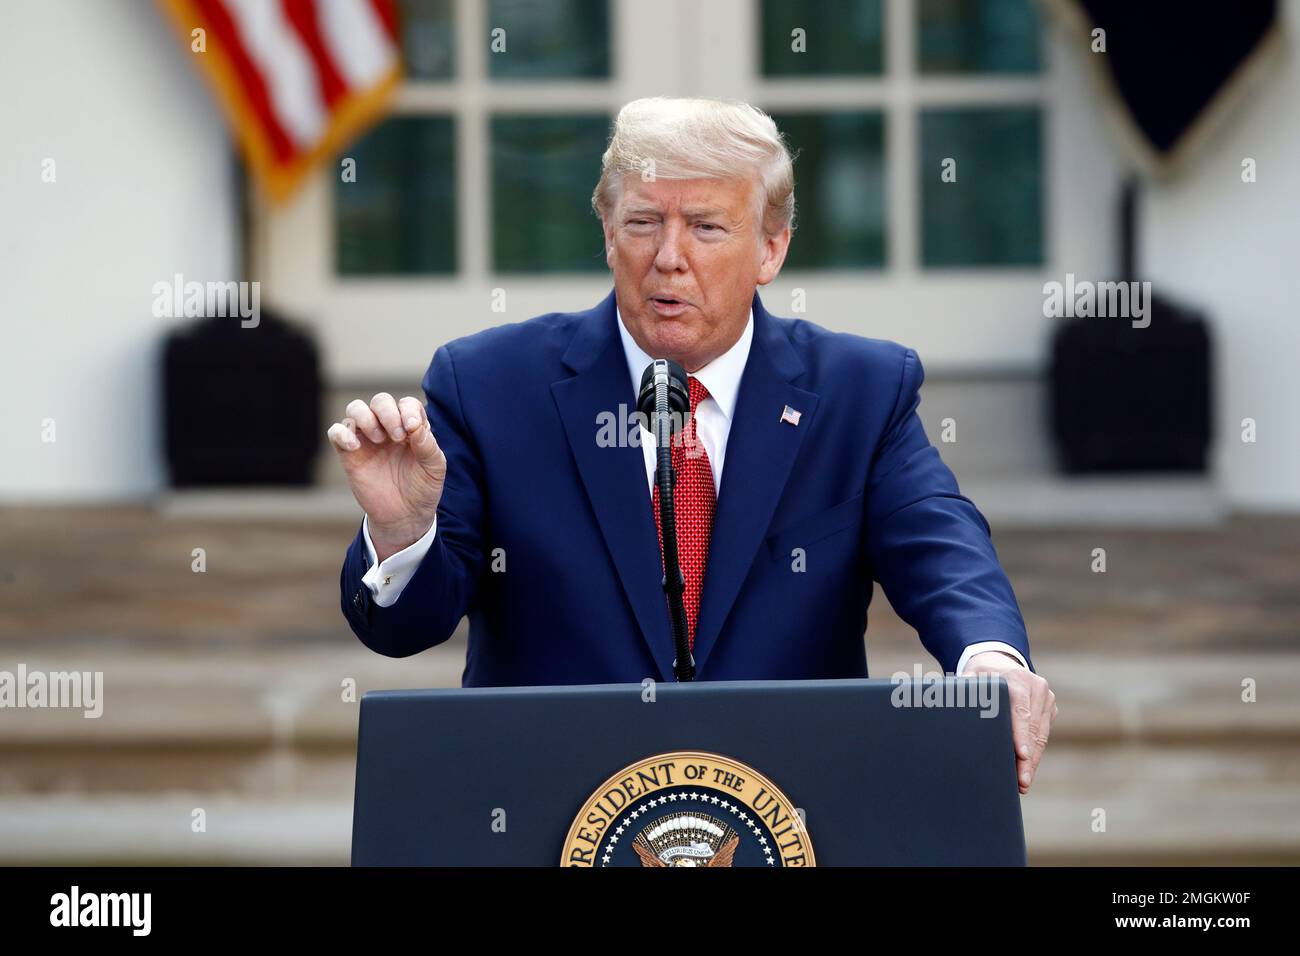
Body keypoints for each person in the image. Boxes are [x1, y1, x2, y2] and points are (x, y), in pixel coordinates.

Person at [329, 97, 1056, 793]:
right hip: (553, 815)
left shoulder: (860, 391)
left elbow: (942, 550)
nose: (668, 257)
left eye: (706, 227)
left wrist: (988, 659)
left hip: (790, 814)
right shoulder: (490, 385)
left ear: (771, 249)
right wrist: (401, 532)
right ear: (609, 235)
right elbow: (404, 629)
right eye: (644, 222)